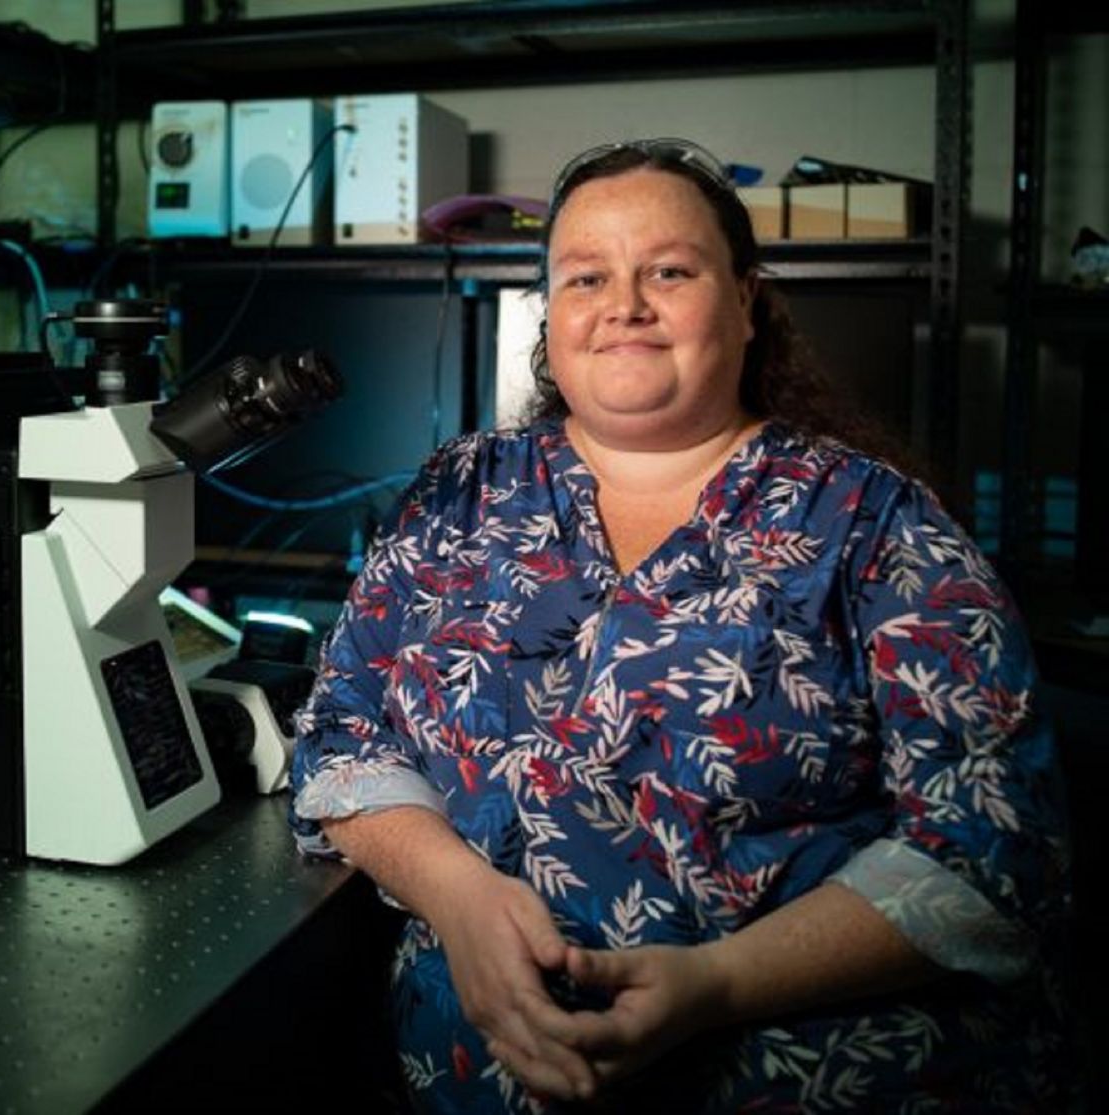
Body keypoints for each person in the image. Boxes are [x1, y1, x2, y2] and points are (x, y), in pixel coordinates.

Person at [288, 138, 1073, 1113]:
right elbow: (343, 733)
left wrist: (719, 984)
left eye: (668, 270)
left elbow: (993, 848)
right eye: (586, 276)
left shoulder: (877, 525)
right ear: (551, 312)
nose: (624, 304)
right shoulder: (462, 492)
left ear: (746, 301)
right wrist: (459, 895)